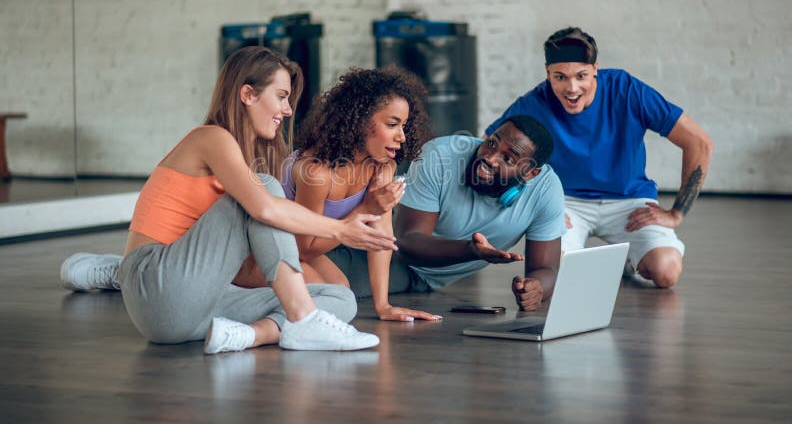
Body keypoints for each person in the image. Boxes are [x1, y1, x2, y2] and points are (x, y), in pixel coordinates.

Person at [63, 46, 397, 353]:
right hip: (157, 287)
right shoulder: (210, 138)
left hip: (196, 311)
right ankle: (302, 320)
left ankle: (252, 334)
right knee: (266, 189)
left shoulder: (247, 155)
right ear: (247, 94)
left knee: (341, 299)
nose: (288, 109)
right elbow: (265, 207)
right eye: (281, 97)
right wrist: (340, 229)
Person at [485, 27, 714, 288]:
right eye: (560, 77)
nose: (572, 88)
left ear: (595, 68)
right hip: (565, 203)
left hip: (629, 201)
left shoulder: (626, 89)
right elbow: (485, 151)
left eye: (581, 75)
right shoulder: (535, 102)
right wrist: (535, 201)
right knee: (555, 275)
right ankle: (587, 262)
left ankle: (626, 263)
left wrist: (677, 213)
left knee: (666, 271)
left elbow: (699, 142)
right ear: (548, 73)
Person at [233, 66, 441, 322]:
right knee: (324, 299)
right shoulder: (317, 173)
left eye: (404, 125)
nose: (401, 136)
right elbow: (303, 250)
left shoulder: (383, 166)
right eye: (392, 124)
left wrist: (383, 306)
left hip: (299, 249)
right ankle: (233, 295)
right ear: (360, 121)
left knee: (339, 292)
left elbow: (381, 238)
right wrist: (365, 209)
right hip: (259, 249)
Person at [326, 114, 566, 311]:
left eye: (508, 158)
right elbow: (406, 242)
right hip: (378, 249)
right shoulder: (441, 155)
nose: (490, 158)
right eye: (491, 143)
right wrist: (471, 251)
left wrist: (536, 289)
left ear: (531, 174)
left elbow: (546, 269)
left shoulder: (545, 189)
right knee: (325, 287)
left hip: (419, 279)